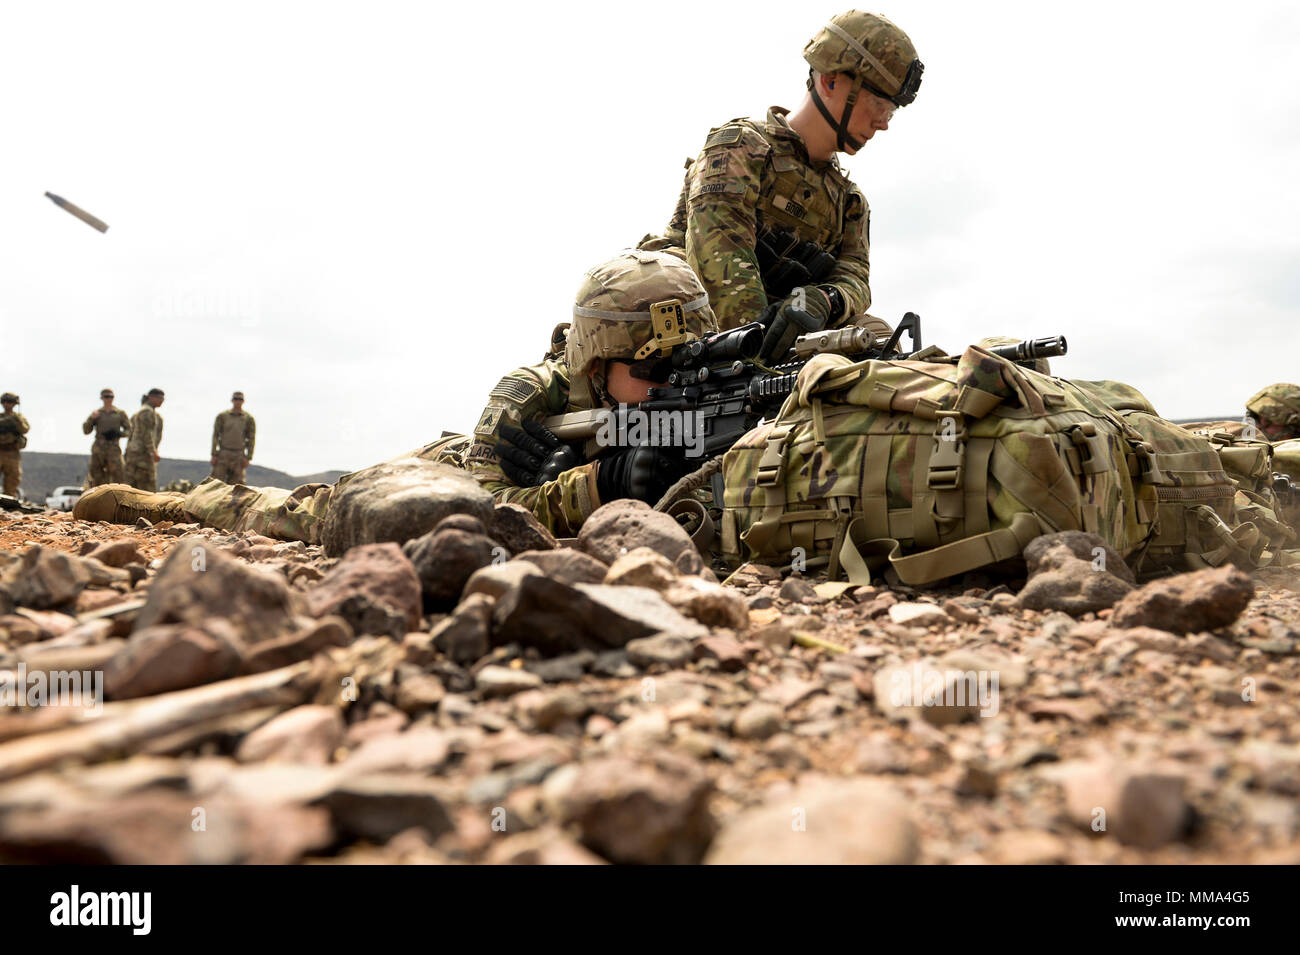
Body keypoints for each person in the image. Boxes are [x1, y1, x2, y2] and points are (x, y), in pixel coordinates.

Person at [75, 250, 719, 540]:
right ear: (595, 361)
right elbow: (490, 519)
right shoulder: (530, 395)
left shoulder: (682, 401)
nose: (668, 388)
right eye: (651, 368)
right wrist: (598, 486)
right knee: (310, 515)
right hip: (440, 473)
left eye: (681, 367)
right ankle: (189, 500)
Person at [639, 10, 922, 359]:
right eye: (878, 104)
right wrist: (757, 356)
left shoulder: (849, 203)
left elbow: (856, 281)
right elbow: (721, 265)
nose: (883, 124)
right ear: (830, 82)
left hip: (782, 338)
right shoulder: (742, 147)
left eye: (890, 112)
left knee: (875, 336)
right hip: (695, 324)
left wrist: (827, 300)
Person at [82, 389, 131, 487]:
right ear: (102, 398)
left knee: (119, 475)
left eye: (111, 397)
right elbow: (86, 430)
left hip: (114, 448)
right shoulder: (97, 413)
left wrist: (118, 434)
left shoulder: (120, 413)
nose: (109, 399)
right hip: (99, 448)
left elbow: (129, 430)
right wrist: (92, 418)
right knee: (96, 476)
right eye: (106, 397)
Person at [211, 392, 257, 484]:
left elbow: (251, 439)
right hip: (223, 453)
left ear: (243, 401)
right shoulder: (222, 416)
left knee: (237, 486)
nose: (238, 401)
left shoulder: (248, 419)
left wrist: (248, 457)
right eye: (236, 399)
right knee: (215, 483)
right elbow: (216, 435)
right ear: (232, 400)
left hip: (239, 455)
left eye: (240, 399)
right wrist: (214, 454)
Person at [125, 388, 166, 491]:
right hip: (142, 455)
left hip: (138, 453)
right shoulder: (147, 412)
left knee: (134, 486)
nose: (162, 401)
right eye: (159, 398)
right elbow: (146, 434)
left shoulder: (149, 412)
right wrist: (152, 452)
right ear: (151, 397)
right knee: (147, 488)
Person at [0, 392, 31, 496]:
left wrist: (16, 421)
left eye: (9, 402)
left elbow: (25, 429)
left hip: (12, 453)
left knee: (12, 480)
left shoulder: (18, 418)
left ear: (14, 404)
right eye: (4, 402)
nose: (6, 404)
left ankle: (8, 504)